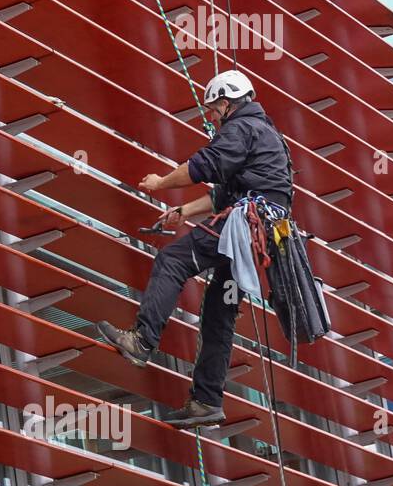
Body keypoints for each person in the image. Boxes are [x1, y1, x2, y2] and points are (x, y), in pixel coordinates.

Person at [96, 69, 294, 428]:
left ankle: (142, 341)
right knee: (219, 313)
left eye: (213, 110)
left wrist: (161, 183)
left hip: (243, 226)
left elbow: (204, 167)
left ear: (226, 101)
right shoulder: (267, 135)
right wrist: (182, 212)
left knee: (172, 260)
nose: (212, 118)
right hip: (256, 235)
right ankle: (206, 401)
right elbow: (223, 192)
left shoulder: (242, 128)